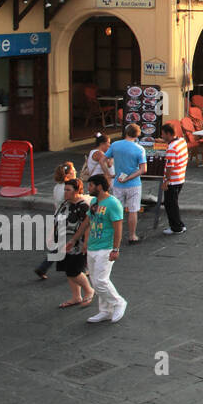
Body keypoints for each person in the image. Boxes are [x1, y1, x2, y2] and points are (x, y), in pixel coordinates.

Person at [83, 173, 127, 323]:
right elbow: (88, 221)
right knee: (95, 282)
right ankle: (105, 311)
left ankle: (118, 302)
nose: (88, 188)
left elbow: (118, 228)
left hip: (106, 247)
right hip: (92, 246)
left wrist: (116, 249)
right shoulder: (94, 201)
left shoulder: (113, 203)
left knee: (101, 281)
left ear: (99, 186)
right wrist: (78, 239)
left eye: (90, 185)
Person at [51, 164, 96, 307]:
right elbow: (57, 218)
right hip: (64, 240)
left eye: (68, 190)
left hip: (77, 243)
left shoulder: (83, 206)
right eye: (65, 189)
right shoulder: (66, 203)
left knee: (74, 270)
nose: (65, 192)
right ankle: (76, 297)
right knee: (67, 270)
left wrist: (86, 243)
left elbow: (87, 225)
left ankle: (89, 290)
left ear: (77, 191)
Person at [106, 124, 147, 245]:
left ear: (125, 132)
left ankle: (115, 235)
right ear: (137, 135)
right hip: (133, 183)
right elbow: (143, 169)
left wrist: (107, 174)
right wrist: (129, 177)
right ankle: (132, 236)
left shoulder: (115, 145)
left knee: (117, 210)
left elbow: (104, 159)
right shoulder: (140, 149)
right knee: (133, 210)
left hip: (118, 183)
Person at [159, 122, 188, 235]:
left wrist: (166, 181)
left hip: (173, 180)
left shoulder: (171, 148)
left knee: (170, 205)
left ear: (168, 134)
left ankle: (176, 227)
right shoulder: (181, 141)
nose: (162, 136)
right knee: (173, 203)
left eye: (163, 134)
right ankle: (179, 224)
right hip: (180, 177)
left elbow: (170, 167)